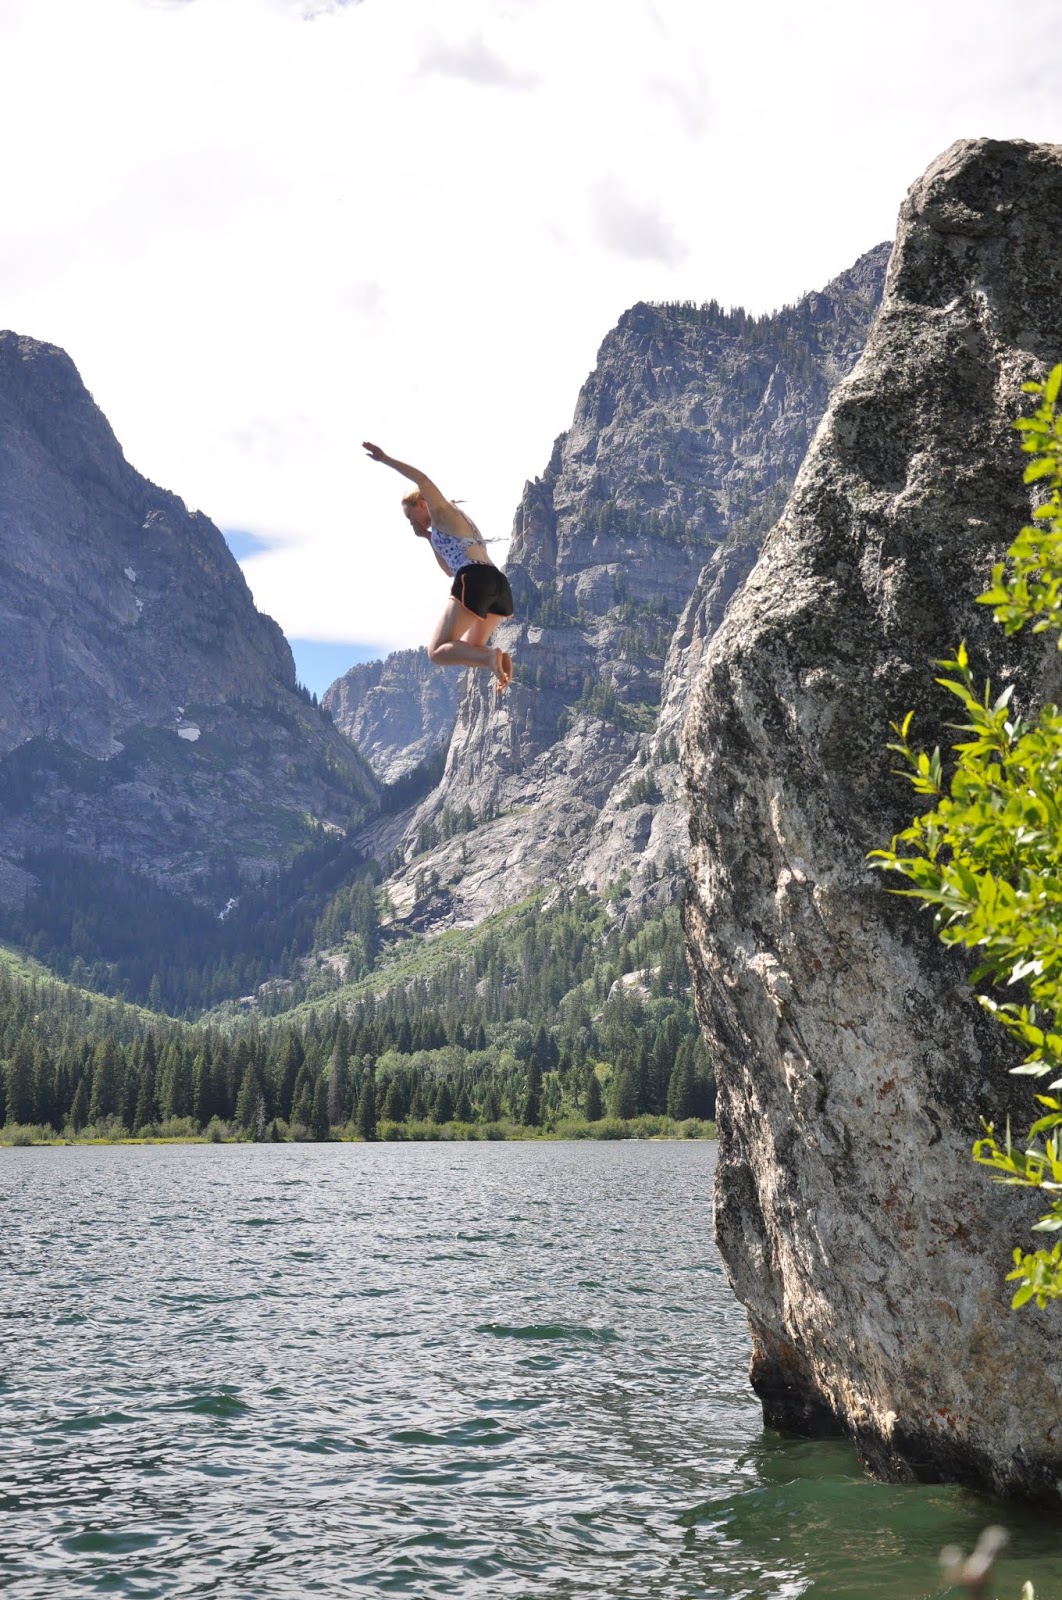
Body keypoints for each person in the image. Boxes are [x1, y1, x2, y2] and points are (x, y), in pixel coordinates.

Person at [362, 442, 514, 692]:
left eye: (410, 515)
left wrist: (385, 458)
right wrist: (427, 537)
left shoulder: (441, 510)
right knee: (468, 650)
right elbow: (448, 570)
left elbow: (422, 479)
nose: (411, 522)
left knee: (436, 652)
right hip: (497, 583)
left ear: (422, 504)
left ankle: (490, 657)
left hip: (474, 577)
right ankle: (498, 661)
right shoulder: (451, 524)